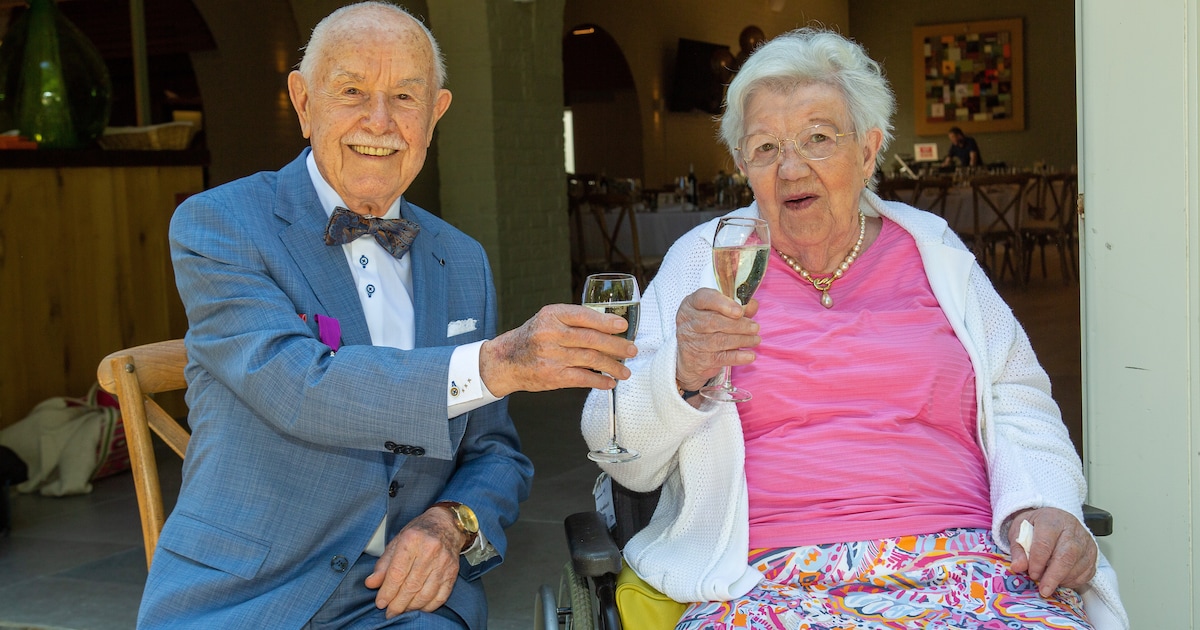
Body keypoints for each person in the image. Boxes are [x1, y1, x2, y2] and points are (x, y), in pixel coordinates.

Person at [582, 27, 1128, 629]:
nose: (791, 168)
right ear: (743, 165)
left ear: (868, 151)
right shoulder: (702, 261)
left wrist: (1044, 501)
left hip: (966, 564)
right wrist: (679, 372)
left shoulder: (934, 252)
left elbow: (1016, 394)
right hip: (764, 578)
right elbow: (617, 448)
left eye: (818, 138)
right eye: (765, 147)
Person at [141, 3, 636, 628]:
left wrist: (450, 523)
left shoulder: (460, 260)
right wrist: (500, 362)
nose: (380, 121)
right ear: (302, 101)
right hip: (248, 594)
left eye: (406, 96)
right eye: (352, 91)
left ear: (436, 113)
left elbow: (495, 454)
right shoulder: (220, 224)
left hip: (400, 600)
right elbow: (301, 387)